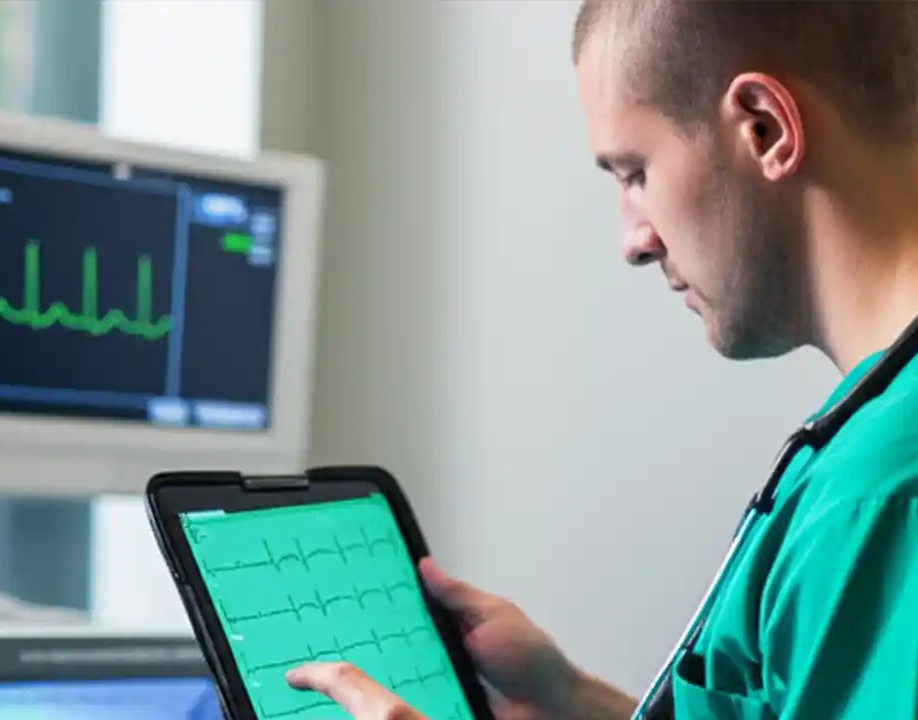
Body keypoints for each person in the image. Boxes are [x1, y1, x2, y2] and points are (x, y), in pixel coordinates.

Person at [285, 1, 918, 718]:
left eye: (634, 172)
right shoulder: (872, 448)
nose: (634, 241)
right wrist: (572, 700)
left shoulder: (885, 494)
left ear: (764, 128)